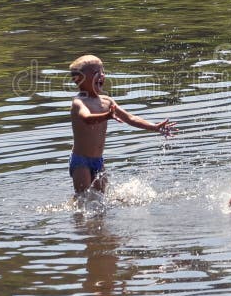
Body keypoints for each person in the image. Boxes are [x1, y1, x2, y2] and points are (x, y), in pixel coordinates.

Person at [68, 54, 176, 196]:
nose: (101, 75)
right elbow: (86, 118)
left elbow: (130, 118)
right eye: (95, 72)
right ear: (79, 79)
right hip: (81, 161)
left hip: (98, 161)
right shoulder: (79, 102)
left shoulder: (107, 101)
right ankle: (77, 216)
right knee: (83, 199)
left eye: (102, 71)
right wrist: (106, 116)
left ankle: (99, 219)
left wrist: (154, 127)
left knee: (102, 198)